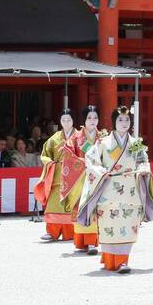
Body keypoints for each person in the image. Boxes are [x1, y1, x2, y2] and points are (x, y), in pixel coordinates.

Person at [77, 104, 153, 273]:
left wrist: (143, 169)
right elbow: (90, 159)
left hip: (130, 191)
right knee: (109, 225)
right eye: (120, 119)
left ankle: (122, 261)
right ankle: (109, 259)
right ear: (114, 122)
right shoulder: (103, 142)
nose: (124, 123)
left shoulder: (136, 143)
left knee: (127, 225)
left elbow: (143, 161)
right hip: (109, 190)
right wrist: (101, 172)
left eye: (127, 119)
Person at [36, 111, 80, 242]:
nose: (66, 122)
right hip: (58, 175)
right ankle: (52, 232)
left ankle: (71, 232)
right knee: (54, 203)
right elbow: (45, 154)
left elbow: (86, 152)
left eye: (69, 119)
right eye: (64, 120)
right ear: (60, 122)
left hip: (75, 175)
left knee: (72, 205)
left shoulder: (79, 137)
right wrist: (50, 163)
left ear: (73, 121)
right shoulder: (54, 138)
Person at [64, 106, 103, 254]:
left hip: (98, 179)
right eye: (89, 118)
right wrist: (84, 163)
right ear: (84, 120)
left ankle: (92, 242)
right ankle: (82, 241)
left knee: (95, 208)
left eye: (95, 117)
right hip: (81, 179)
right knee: (83, 208)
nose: (93, 121)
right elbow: (68, 155)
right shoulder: (76, 138)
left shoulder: (103, 137)